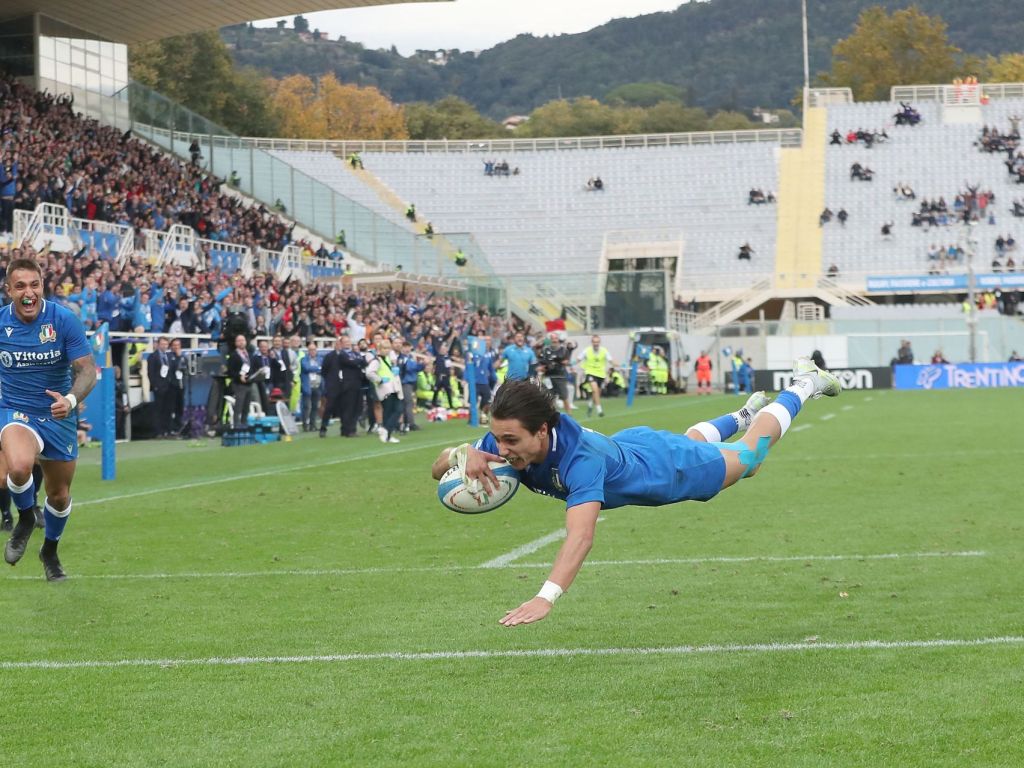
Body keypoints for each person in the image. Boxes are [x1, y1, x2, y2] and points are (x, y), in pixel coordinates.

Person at [431, 360, 841, 626]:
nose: (500, 450)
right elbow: (438, 472)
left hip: (669, 471)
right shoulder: (505, 436)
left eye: (509, 441)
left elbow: (581, 535)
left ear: (541, 431)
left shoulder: (579, 460)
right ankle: (742, 414)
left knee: (751, 457)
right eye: (496, 439)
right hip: (635, 447)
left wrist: (547, 597)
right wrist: (462, 453)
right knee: (693, 440)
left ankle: (804, 384)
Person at [0, 258, 97, 581]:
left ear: (42, 285)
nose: (28, 293)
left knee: (59, 495)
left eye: (34, 285)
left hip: (57, 415)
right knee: (18, 466)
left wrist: (69, 400)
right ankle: (26, 516)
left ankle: (50, 551)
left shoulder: (64, 320)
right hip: (16, 411)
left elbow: (87, 370)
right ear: (9, 290)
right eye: (20, 286)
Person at [146, 337, 175, 438]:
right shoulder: (152, 357)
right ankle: (158, 431)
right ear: (158, 344)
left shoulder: (169, 356)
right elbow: (150, 373)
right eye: (162, 344)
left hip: (168, 387)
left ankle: (167, 430)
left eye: (166, 344)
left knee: (168, 409)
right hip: (159, 387)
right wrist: (155, 386)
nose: (164, 346)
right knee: (158, 410)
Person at [577, 335, 612, 417]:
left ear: (599, 342)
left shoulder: (604, 351)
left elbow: (611, 360)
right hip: (590, 373)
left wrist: (617, 364)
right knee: (595, 390)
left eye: (597, 342)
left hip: (600, 374)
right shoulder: (586, 350)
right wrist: (571, 363)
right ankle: (599, 410)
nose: (596, 343)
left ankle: (590, 405)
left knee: (597, 393)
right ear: (592, 342)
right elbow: (578, 358)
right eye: (594, 342)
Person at [300, 341, 322, 432]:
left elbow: (323, 368)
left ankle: (313, 425)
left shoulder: (320, 359)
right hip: (307, 385)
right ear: (308, 351)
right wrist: (318, 368)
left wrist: (318, 369)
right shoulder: (304, 359)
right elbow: (306, 368)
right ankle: (305, 425)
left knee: (315, 406)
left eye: (314, 350)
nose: (312, 351)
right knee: (306, 406)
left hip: (317, 384)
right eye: (310, 350)